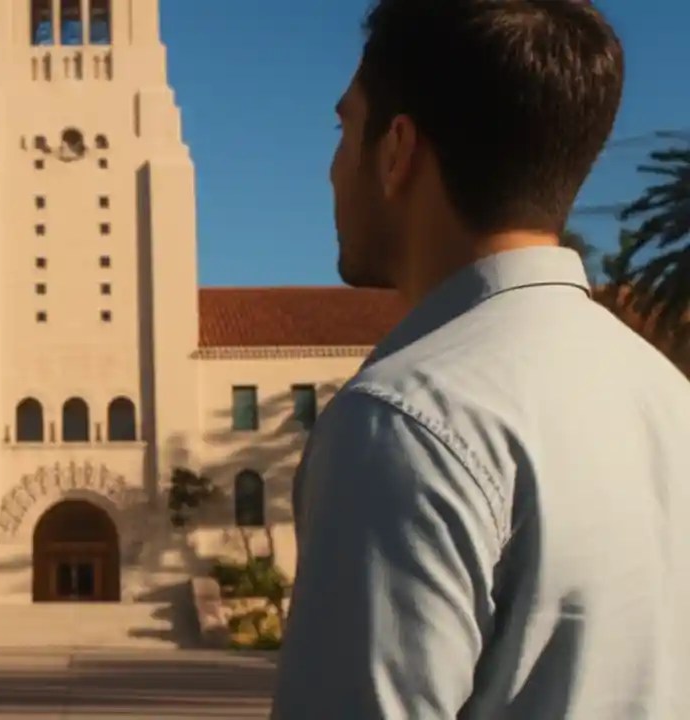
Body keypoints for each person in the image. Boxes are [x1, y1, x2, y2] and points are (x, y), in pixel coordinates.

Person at [274, 1, 690, 717]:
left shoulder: (404, 420)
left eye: (343, 130)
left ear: (396, 151)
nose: (332, 170)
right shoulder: (667, 396)